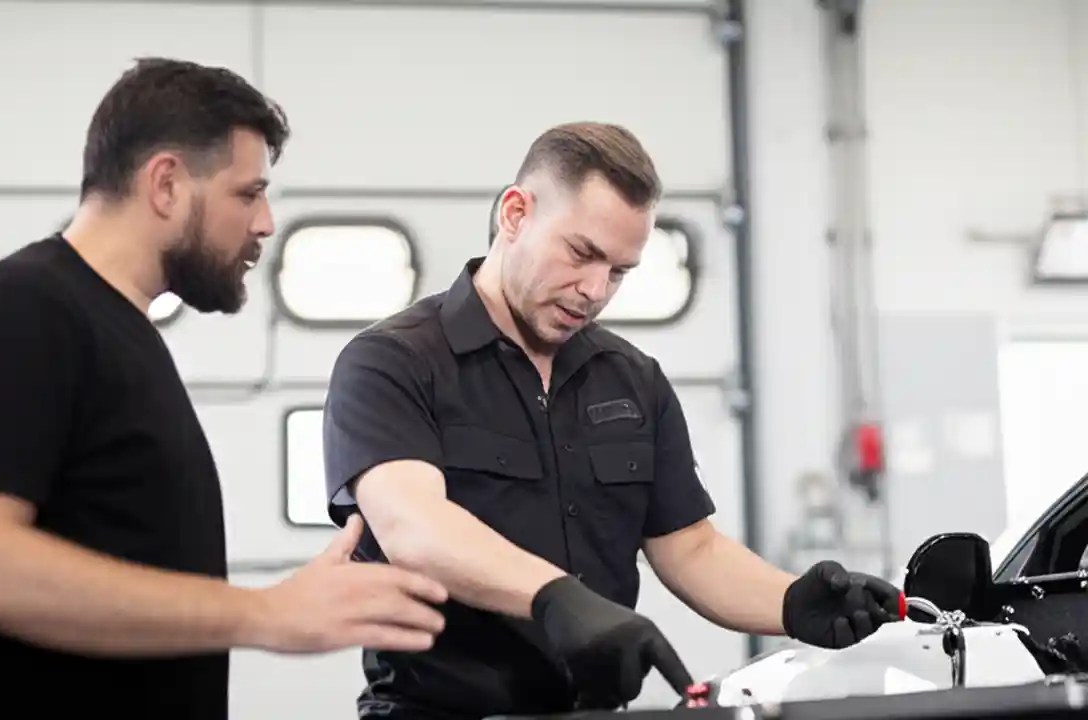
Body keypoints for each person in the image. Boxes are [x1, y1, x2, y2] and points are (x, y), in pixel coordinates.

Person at [0, 57, 449, 720]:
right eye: (247, 193)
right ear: (166, 185)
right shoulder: (19, 311)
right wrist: (265, 613)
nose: (265, 222)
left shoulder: (119, 332)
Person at [321, 121, 904, 719]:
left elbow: (692, 550)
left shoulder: (632, 378)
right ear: (515, 214)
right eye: (582, 253)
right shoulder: (394, 363)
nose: (595, 290)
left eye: (620, 271)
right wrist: (555, 598)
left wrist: (790, 601)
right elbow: (416, 527)